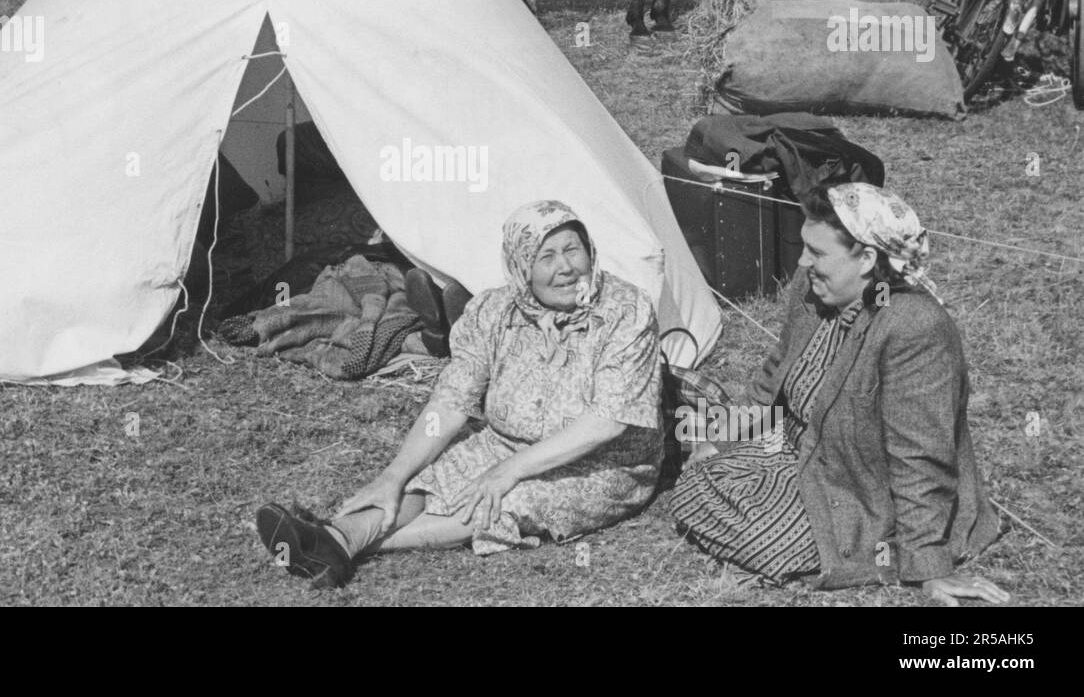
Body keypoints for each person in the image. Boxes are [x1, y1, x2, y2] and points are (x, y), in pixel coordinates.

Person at [256, 199, 665, 588]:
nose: (566, 269)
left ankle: (343, 546)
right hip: (505, 443)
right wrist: (392, 477)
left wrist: (508, 471)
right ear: (521, 266)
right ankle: (334, 538)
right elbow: (450, 402)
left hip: (605, 465)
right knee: (428, 476)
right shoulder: (494, 311)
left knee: (506, 499)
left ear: (590, 251)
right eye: (546, 257)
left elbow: (606, 423)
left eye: (572, 250)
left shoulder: (626, 311)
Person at [670, 182, 1009, 606]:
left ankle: (887, 555)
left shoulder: (913, 327)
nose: (801, 260)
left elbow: (919, 455)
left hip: (865, 488)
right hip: (802, 451)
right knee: (696, 480)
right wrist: (725, 438)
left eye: (816, 252)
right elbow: (777, 371)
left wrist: (930, 568)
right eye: (804, 247)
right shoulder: (813, 289)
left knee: (761, 535)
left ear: (867, 258)